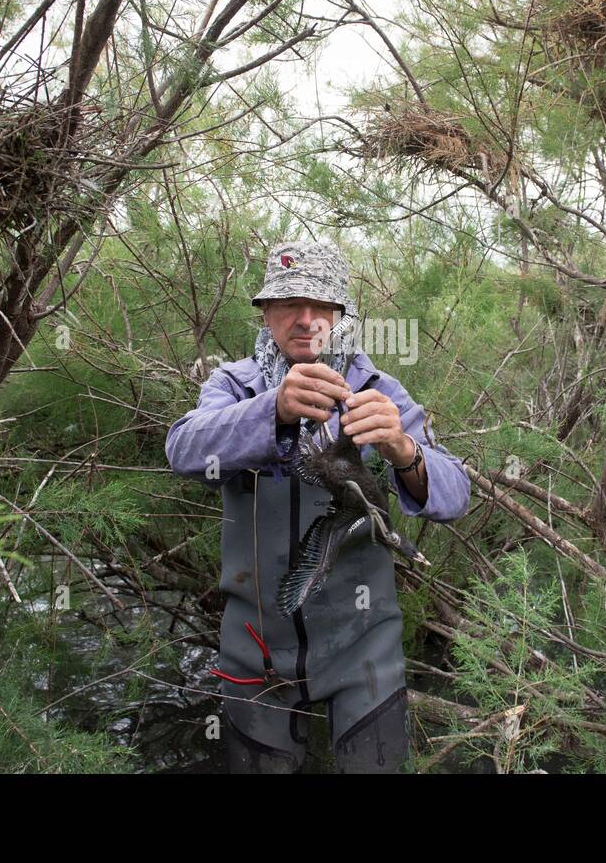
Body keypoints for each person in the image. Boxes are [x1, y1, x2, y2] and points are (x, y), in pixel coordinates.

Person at [165, 240, 471, 772]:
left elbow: (454, 495)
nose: (305, 320)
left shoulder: (378, 389)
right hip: (253, 652)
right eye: (289, 304)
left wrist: (404, 451)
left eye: (320, 306)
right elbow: (184, 450)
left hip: (364, 649)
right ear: (265, 312)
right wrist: (273, 412)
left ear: (339, 314)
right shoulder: (235, 385)